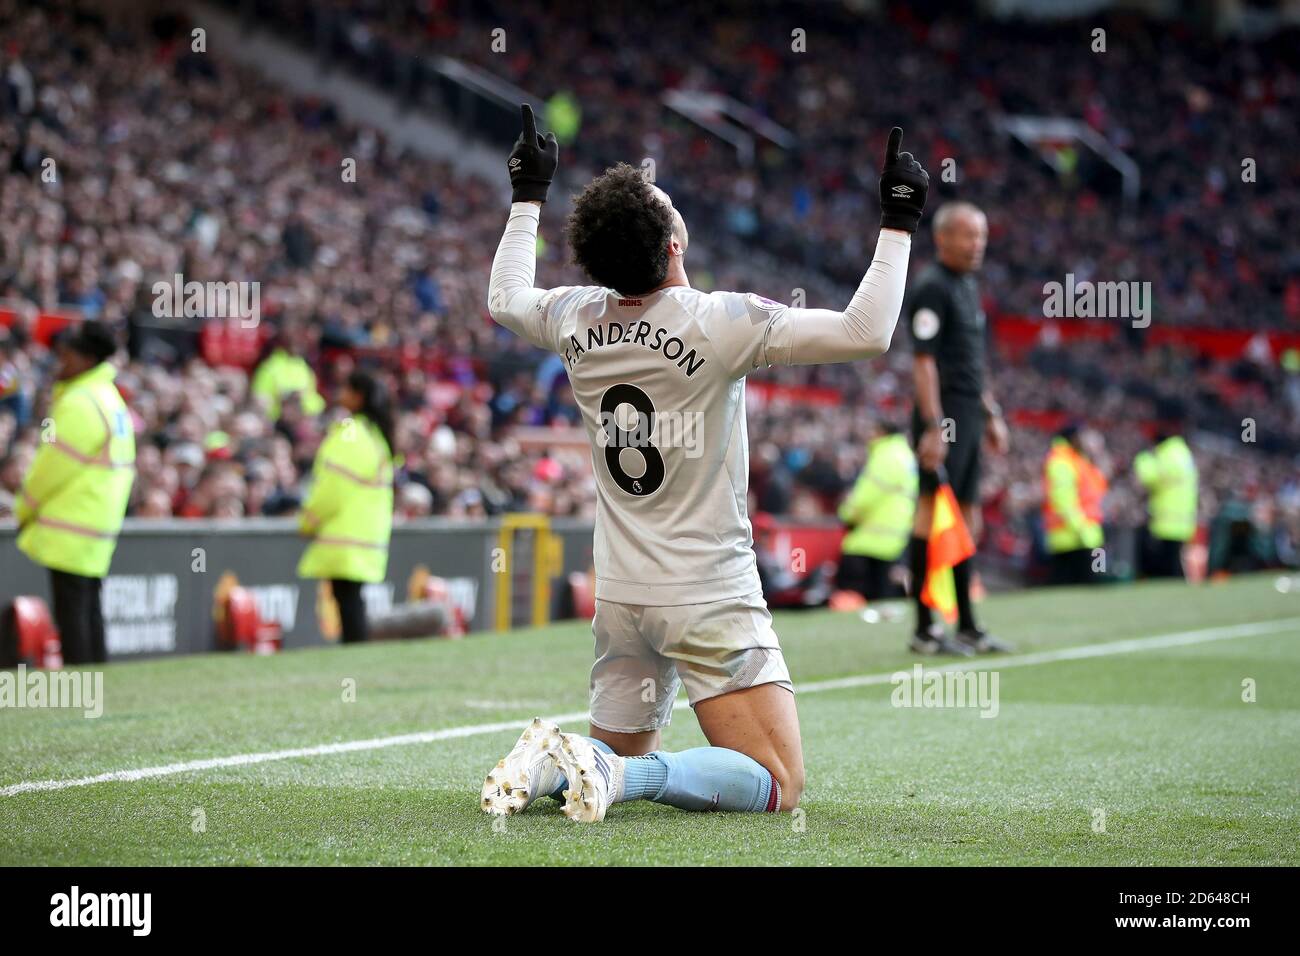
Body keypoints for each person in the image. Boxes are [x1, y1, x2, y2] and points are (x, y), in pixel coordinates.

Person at [481, 106, 927, 822]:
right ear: (674, 242)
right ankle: (612, 774)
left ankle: (542, 772)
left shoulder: (574, 315)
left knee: (610, 762)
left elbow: (504, 297)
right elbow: (865, 331)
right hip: (708, 589)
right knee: (777, 782)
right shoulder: (721, 322)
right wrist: (899, 224)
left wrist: (528, 197)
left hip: (622, 593)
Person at [906, 201, 1011, 656]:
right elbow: (923, 362)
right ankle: (925, 629)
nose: (977, 245)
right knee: (931, 515)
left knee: (965, 518)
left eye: (982, 237)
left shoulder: (968, 285)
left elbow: (972, 362)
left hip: (967, 413)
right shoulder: (931, 287)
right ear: (943, 238)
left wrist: (989, 414)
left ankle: (967, 624)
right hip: (942, 412)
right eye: (969, 236)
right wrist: (933, 427)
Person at [15, 321, 135, 664]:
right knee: (89, 607)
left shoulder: (80, 402)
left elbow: (50, 466)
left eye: (66, 355)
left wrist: (26, 507)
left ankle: (83, 689)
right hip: (96, 521)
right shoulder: (110, 399)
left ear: (86, 359)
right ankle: (98, 684)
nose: (60, 362)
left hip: (72, 520)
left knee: (73, 613)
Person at [298, 370, 396, 643]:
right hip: (362, 537)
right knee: (350, 600)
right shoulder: (374, 435)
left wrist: (309, 520)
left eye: (345, 389)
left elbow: (332, 487)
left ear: (357, 396)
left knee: (349, 602)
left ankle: (355, 659)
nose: (339, 394)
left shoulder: (353, 434)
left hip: (345, 536)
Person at [835, 420, 917, 601]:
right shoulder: (905, 455)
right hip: (894, 540)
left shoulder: (885, 456)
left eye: (870, 430)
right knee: (883, 598)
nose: (867, 435)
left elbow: (865, 497)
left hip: (869, 542)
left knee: (850, 598)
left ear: (881, 432)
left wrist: (845, 512)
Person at [1042, 424, 1107, 585]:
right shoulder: (1061, 461)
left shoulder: (1079, 460)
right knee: (1079, 586)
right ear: (1074, 438)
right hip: (1074, 537)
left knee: (1098, 579)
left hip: (1091, 534)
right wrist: (1080, 528)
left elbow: (1099, 488)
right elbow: (1063, 501)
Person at [1133, 425, 1198, 579]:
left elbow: (1148, 477)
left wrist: (1143, 459)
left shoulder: (1166, 455)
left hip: (1166, 517)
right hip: (1184, 516)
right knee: (1175, 558)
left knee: (1167, 562)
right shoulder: (1183, 453)